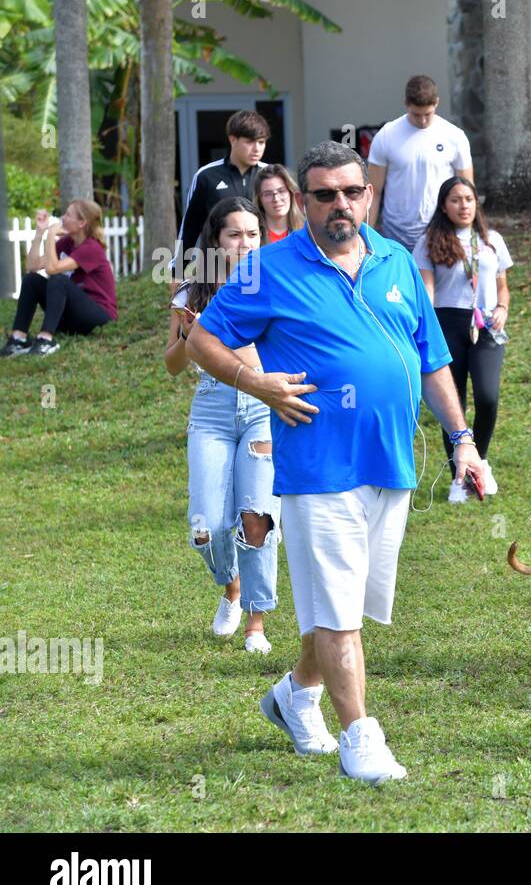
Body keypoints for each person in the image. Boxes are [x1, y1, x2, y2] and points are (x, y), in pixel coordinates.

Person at [186, 141, 485, 785]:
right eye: (323, 195)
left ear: (368, 195)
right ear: (302, 201)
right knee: (340, 616)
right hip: (317, 469)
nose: (339, 205)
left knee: (342, 606)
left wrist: (462, 439)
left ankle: (295, 694)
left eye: (351, 192)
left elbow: (432, 359)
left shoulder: (396, 263)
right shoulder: (267, 268)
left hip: (391, 466)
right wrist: (255, 382)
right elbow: (203, 337)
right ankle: (360, 738)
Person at [165, 198, 279, 653]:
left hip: (260, 408)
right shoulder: (189, 293)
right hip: (211, 413)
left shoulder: (274, 287)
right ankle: (230, 586)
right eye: (235, 234)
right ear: (216, 240)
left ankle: (256, 623)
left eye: (253, 233)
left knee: (257, 518)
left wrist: (219, 342)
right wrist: (190, 332)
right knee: (206, 526)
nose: (246, 243)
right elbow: (173, 365)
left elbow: (271, 358)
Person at [412, 177, 511, 502]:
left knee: (487, 396)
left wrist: (503, 308)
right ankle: (459, 475)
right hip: (447, 323)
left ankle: (478, 463)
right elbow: (426, 289)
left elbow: (502, 287)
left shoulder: (491, 239)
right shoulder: (429, 242)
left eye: (469, 199)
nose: (464, 205)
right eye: (456, 200)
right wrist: (423, 323)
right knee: (452, 401)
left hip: (485, 326)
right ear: (444, 205)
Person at [366, 75, 473, 252]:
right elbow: (374, 192)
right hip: (396, 236)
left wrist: (469, 235)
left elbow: (468, 191)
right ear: (406, 104)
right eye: (416, 114)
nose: (422, 121)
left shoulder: (455, 136)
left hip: (441, 232)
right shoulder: (386, 135)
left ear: (437, 103)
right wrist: (367, 235)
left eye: (427, 114)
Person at [2, 199, 117, 357]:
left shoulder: (92, 248)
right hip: (73, 317)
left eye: (68, 215)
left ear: (82, 222)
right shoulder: (66, 243)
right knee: (31, 279)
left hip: (98, 317)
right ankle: (18, 338)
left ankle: (46, 339)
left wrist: (51, 234)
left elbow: (52, 269)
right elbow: (32, 265)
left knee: (58, 280)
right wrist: (40, 233)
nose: (63, 218)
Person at [176, 110, 270, 270]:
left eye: (261, 142)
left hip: (263, 266)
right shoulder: (206, 176)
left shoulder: (270, 175)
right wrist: (178, 269)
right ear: (233, 139)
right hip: (216, 268)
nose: (257, 149)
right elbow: (190, 226)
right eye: (250, 142)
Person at [254, 164, 304, 243]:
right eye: (268, 194)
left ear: (291, 194)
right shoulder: (253, 237)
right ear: (260, 200)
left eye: (281, 191)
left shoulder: (308, 232)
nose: (276, 199)